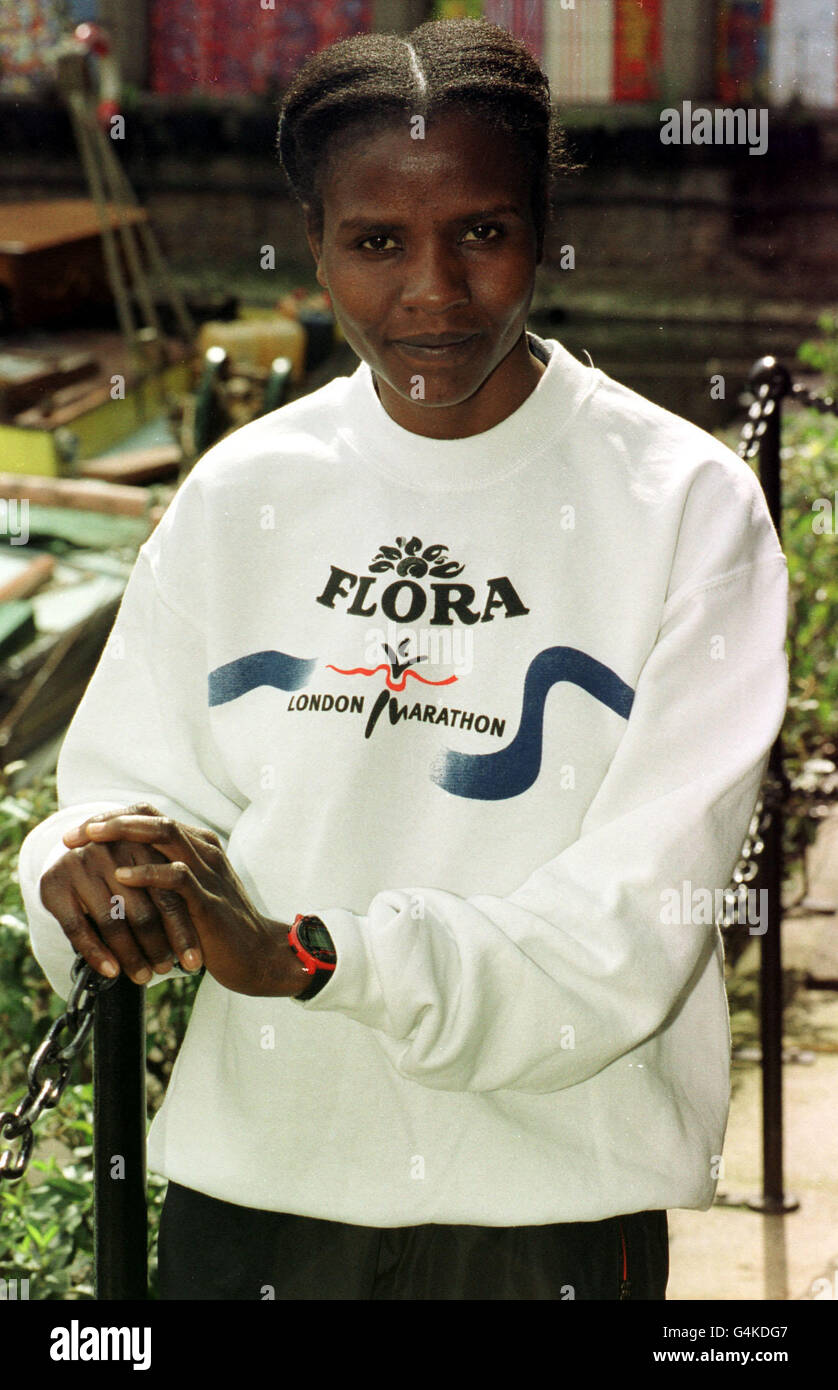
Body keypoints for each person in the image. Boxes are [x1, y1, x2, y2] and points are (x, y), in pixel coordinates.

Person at [18, 19, 788, 1301]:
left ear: (540, 230)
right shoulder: (245, 489)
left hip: (549, 1203)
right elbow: (116, 787)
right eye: (377, 242)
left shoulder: (683, 504)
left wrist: (315, 955)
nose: (432, 291)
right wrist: (91, 867)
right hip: (258, 1191)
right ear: (315, 247)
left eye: (480, 231)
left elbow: (633, 929)